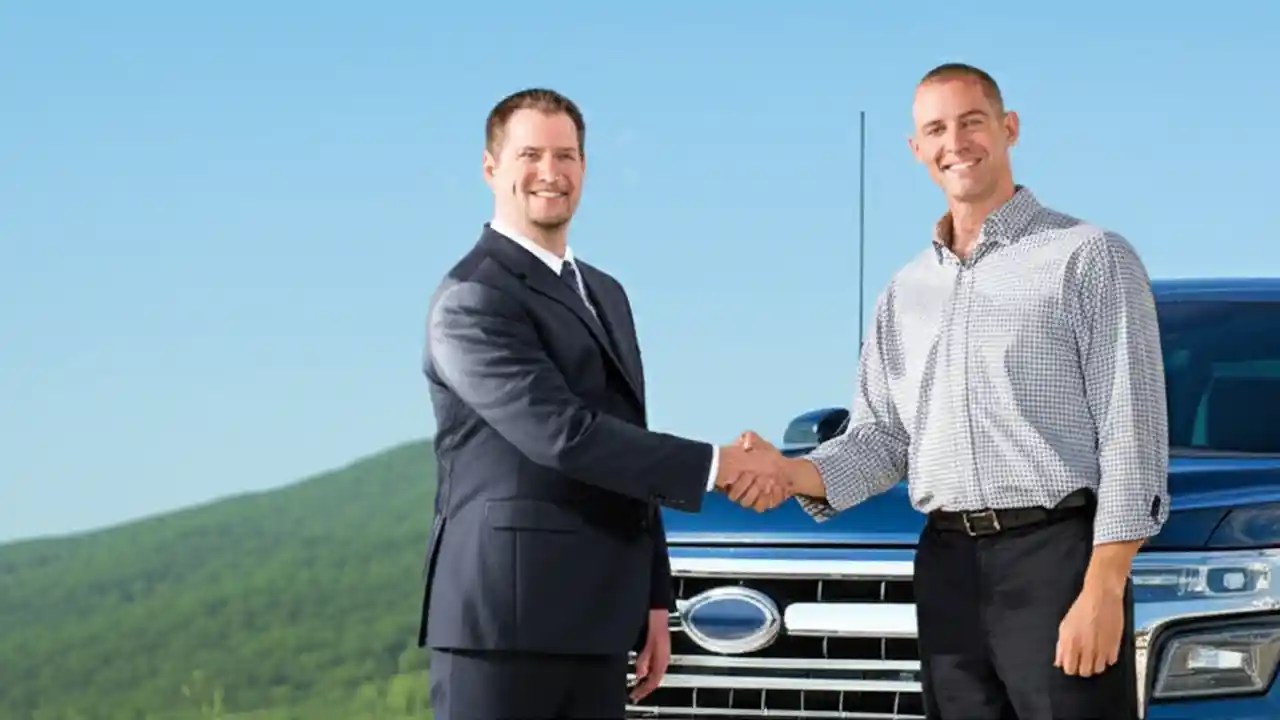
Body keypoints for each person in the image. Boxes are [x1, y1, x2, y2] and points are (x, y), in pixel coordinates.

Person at [734, 63, 1169, 720]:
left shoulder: (1086, 257)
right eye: (935, 129)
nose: (955, 142)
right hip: (945, 567)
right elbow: (882, 440)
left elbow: (1129, 428)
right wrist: (788, 471)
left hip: (1054, 560)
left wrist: (1104, 587)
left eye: (972, 122)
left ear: (1008, 128)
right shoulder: (903, 293)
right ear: (917, 150)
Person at [418, 87, 783, 720]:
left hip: (599, 622)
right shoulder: (472, 298)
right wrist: (720, 467)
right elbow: (565, 435)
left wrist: (653, 597)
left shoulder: (607, 293)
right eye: (530, 154)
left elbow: (625, 440)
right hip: (505, 623)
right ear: (490, 168)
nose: (550, 173)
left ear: (585, 167)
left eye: (567, 155)